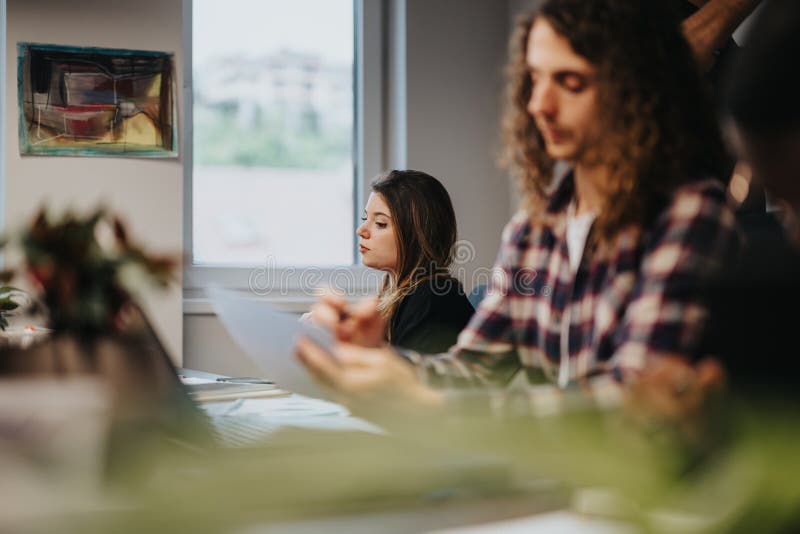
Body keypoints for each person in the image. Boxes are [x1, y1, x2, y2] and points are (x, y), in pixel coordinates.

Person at [297, 0, 738, 410]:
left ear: (637, 91)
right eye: (535, 79)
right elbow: (472, 370)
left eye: (570, 82)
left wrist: (429, 401)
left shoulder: (687, 214)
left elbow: (629, 406)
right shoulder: (532, 232)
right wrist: (381, 364)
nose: (538, 105)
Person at [352, 169, 474, 354]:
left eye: (380, 223)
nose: (361, 230)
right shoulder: (398, 295)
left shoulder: (433, 298)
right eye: (365, 218)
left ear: (417, 235)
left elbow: (404, 372)